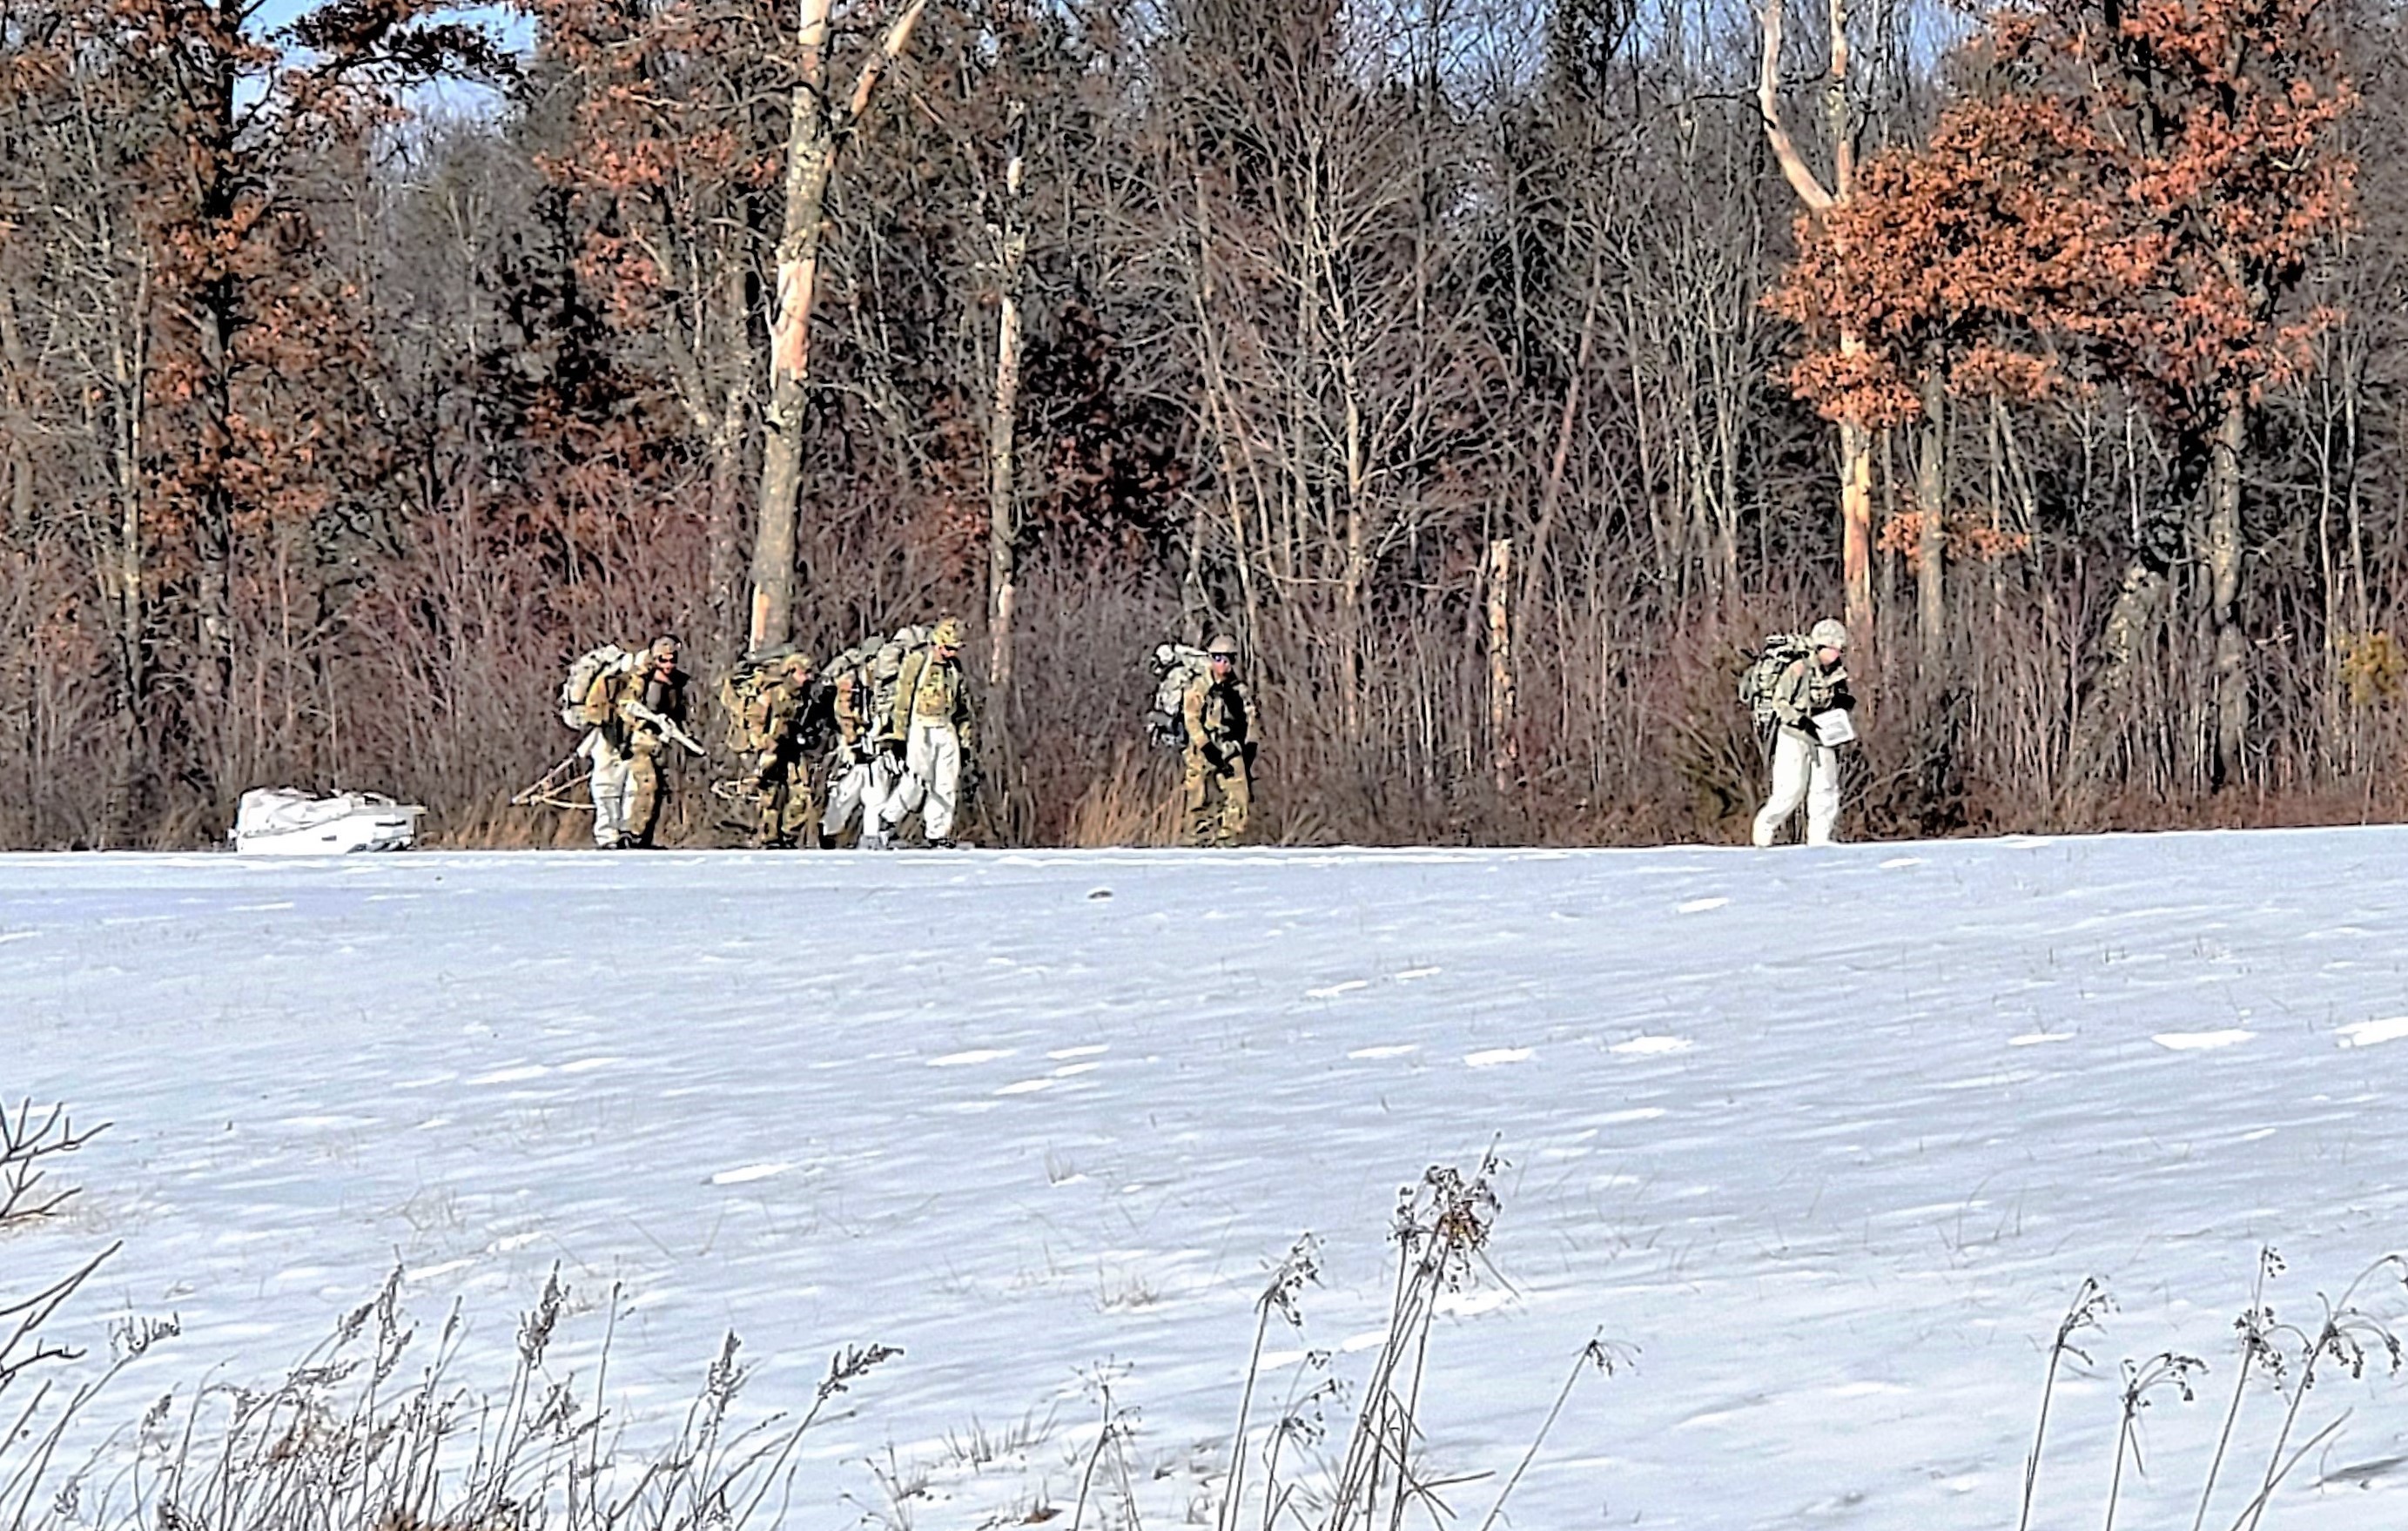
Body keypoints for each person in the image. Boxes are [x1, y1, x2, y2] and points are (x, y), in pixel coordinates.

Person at [1752, 618, 1855, 848]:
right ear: (1820, 646)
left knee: (1826, 788)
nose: (1836, 653)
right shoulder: (1799, 668)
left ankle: (1820, 839)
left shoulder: (1838, 674)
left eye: (1839, 649)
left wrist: (1843, 703)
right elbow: (1780, 701)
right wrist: (1799, 720)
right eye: (1832, 648)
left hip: (1823, 736)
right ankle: (1765, 827)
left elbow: (1836, 701)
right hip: (1794, 735)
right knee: (1790, 789)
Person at [878, 617, 974, 847]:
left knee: (946, 783)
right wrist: (898, 736)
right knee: (917, 779)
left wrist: (965, 741)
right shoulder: (917, 661)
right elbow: (903, 699)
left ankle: (937, 832)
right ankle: (889, 819)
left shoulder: (953, 669)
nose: (952, 653)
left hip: (945, 725)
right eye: (948, 648)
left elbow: (962, 707)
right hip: (919, 724)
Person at [587, 635, 689, 849]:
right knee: (608, 787)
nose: (669, 664)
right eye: (663, 660)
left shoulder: (674, 683)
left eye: (673, 659)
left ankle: (634, 835)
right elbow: (627, 706)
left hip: (642, 741)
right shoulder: (637, 678)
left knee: (643, 788)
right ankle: (610, 837)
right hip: (614, 736)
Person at [738, 650, 819, 849]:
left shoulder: (805, 697)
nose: (807, 678)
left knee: (802, 794)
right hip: (770, 751)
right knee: (771, 797)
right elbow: (754, 721)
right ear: (791, 671)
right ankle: (769, 838)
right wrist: (764, 743)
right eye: (803, 673)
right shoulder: (772, 694)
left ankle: (789, 835)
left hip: (791, 750)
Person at [1182, 634, 1252, 847]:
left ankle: (1228, 840)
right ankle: (1196, 840)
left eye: (1228, 658)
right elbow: (1191, 719)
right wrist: (1206, 747)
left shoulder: (1239, 689)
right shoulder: (1199, 686)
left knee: (1239, 795)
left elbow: (1250, 718)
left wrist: (1249, 747)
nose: (1223, 663)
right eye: (1218, 658)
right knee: (1198, 797)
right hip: (1202, 748)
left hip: (1229, 746)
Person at [819, 661, 895, 849]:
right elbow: (843, 712)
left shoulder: (889, 681)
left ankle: (872, 835)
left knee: (876, 793)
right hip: (853, 749)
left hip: (876, 747)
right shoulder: (852, 681)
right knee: (845, 792)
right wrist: (853, 740)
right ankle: (828, 831)